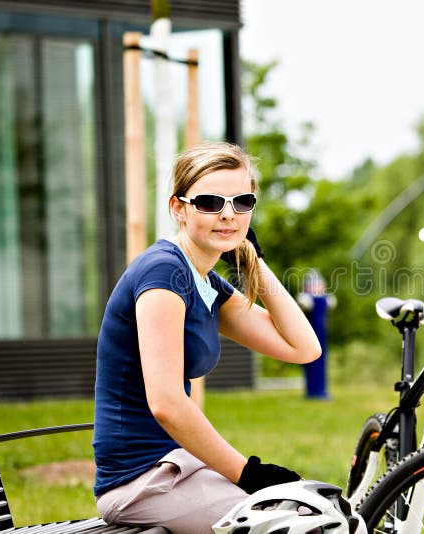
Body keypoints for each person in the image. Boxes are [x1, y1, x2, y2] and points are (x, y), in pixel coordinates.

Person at [92, 141, 322, 534]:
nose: (228, 215)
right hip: (141, 482)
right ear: (178, 208)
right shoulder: (163, 275)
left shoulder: (204, 282)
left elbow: (303, 348)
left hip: (180, 466)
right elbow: (166, 403)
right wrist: (248, 473)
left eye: (242, 202)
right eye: (210, 203)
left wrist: (255, 263)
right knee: (290, 525)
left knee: (314, 513)